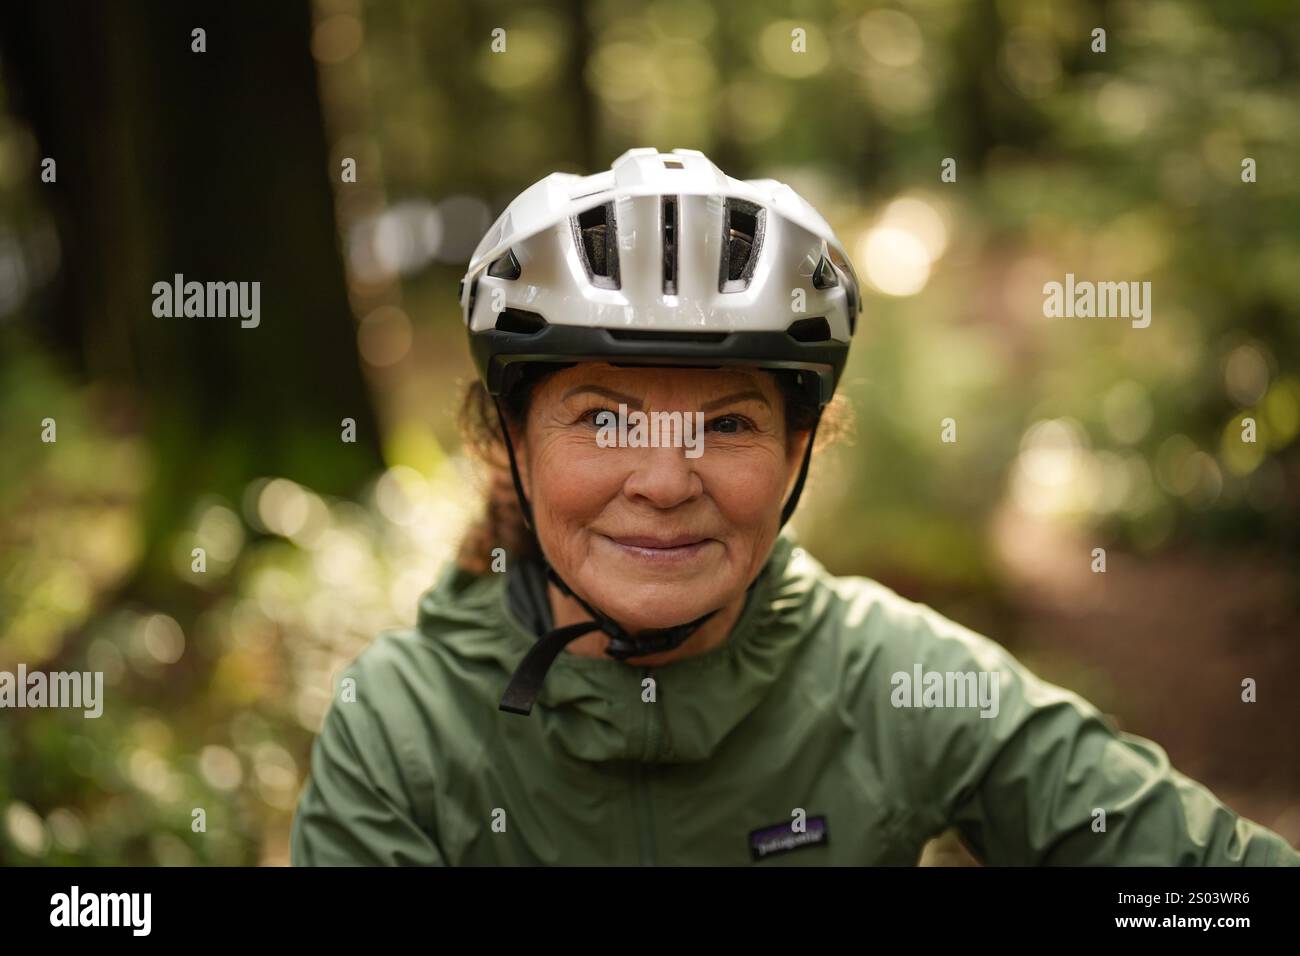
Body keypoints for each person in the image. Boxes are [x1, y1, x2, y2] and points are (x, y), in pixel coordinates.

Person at [290, 148, 1300, 866]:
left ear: (799, 448)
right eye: (602, 418)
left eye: (728, 425)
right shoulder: (401, 728)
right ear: (506, 439)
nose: (665, 477)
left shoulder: (894, 676)